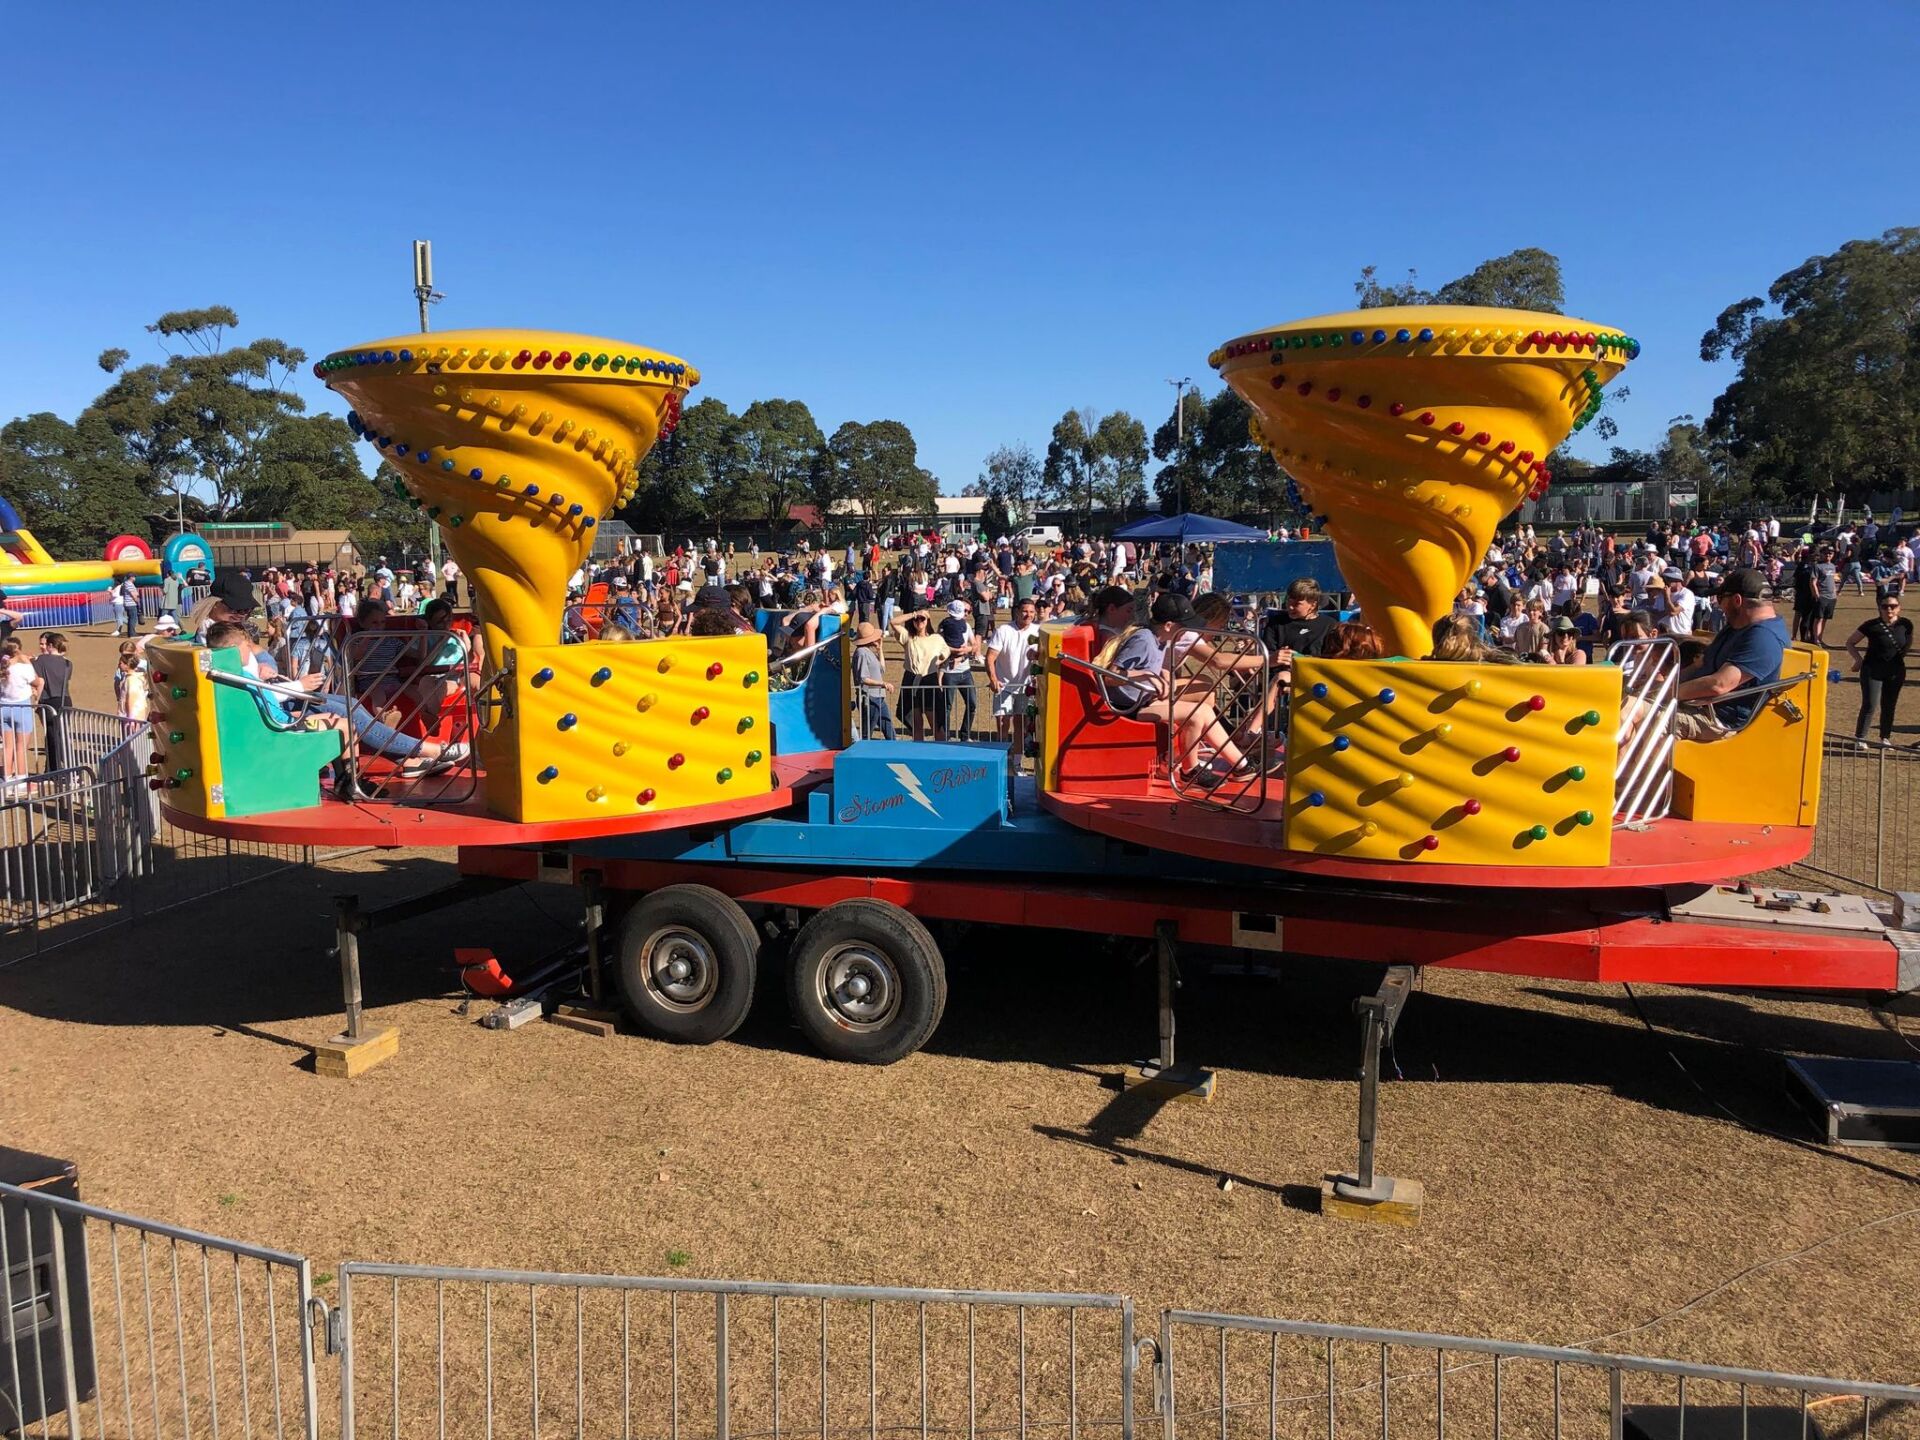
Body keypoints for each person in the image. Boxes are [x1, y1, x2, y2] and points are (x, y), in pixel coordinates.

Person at [204, 623, 466, 777]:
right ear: (234, 648)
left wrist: (267, 670)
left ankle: (408, 758)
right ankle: (423, 751)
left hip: (282, 707)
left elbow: (259, 675)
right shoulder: (229, 670)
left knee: (349, 707)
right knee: (347, 718)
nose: (251, 652)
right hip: (281, 719)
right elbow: (259, 697)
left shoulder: (230, 664)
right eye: (246, 649)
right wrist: (298, 686)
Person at [1672, 568, 1791, 742]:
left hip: (1719, 721)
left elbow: (1719, 684)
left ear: (1737, 600)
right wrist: (1662, 684)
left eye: (1720, 599)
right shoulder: (1736, 627)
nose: (1719, 606)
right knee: (1630, 708)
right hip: (1699, 708)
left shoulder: (1764, 637)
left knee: (1639, 716)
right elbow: (1701, 665)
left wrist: (1671, 692)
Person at [1845, 593, 1912, 747]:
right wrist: (1858, 660)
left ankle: (1885, 737)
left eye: (1893, 606)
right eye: (1885, 606)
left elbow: (1906, 646)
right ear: (1879, 608)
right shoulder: (1871, 625)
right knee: (1870, 704)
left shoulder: (1906, 625)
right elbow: (1850, 642)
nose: (1889, 609)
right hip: (1872, 669)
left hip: (1895, 670)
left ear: (1899, 608)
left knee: (1889, 704)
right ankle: (1860, 738)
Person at [988, 595, 1041, 762]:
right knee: (1003, 724)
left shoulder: (1038, 631)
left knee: (1021, 725)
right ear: (1017, 612)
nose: (1028, 615)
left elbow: (1042, 657)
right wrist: (993, 679)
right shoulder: (1004, 630)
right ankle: (1002, 761)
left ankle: (1017, 762)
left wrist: (1036, 656)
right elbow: (990, 657)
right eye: (1025, 611)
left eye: (1032, 612)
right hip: (1003, 686)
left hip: (1025, 686)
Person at [890, 611, 951, 742]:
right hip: (912, 680)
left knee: (936, 723)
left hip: (929, 680)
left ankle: (942, 752)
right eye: (916, 620)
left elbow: (946, 651)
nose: (919, 622)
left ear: (928, 620)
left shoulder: (936, 638)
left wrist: (940, 659)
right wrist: (914, 614)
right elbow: (893, 622)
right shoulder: (908, 637)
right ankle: (919, 752)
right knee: (917, 723)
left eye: (922, 619)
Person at [0, 638, 43, 787]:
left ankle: (7, 778)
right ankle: (21, 780)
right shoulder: (23, 668)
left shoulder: (2, 668)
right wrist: (27, 661)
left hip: (3, 707)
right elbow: (37, 682)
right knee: (21, 747)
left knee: (7, 746)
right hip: (21, 708)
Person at [31, 633, 73, 772]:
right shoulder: (68, 663)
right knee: (61, 734)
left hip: (49, 700)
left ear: (49, 645)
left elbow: (36, 678)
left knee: (52, 736)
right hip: (65, 700)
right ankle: (58, 766)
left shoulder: (41, 660)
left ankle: (54, 769)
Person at [938, 600, 977, 741]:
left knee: (972, 704)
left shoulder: (966, 626)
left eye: (968, 611)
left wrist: (965, 651)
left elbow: (974, 645)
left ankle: (965, 735)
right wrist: (956, 651)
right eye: (964, 611)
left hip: (965, 672)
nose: (966, 614)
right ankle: (946, 737)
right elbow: (940, 646)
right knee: (947, 707)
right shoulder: (943, 626)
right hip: (949, 673)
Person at [852, 622, 895, 740]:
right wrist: (883, 684)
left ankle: (895, 748)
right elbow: (863, 678)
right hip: (869, 698)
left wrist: (880, 650)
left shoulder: (869, 652)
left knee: (888, 727)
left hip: (878, 697)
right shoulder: (861, 653)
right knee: (867, 732)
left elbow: (882, 669)